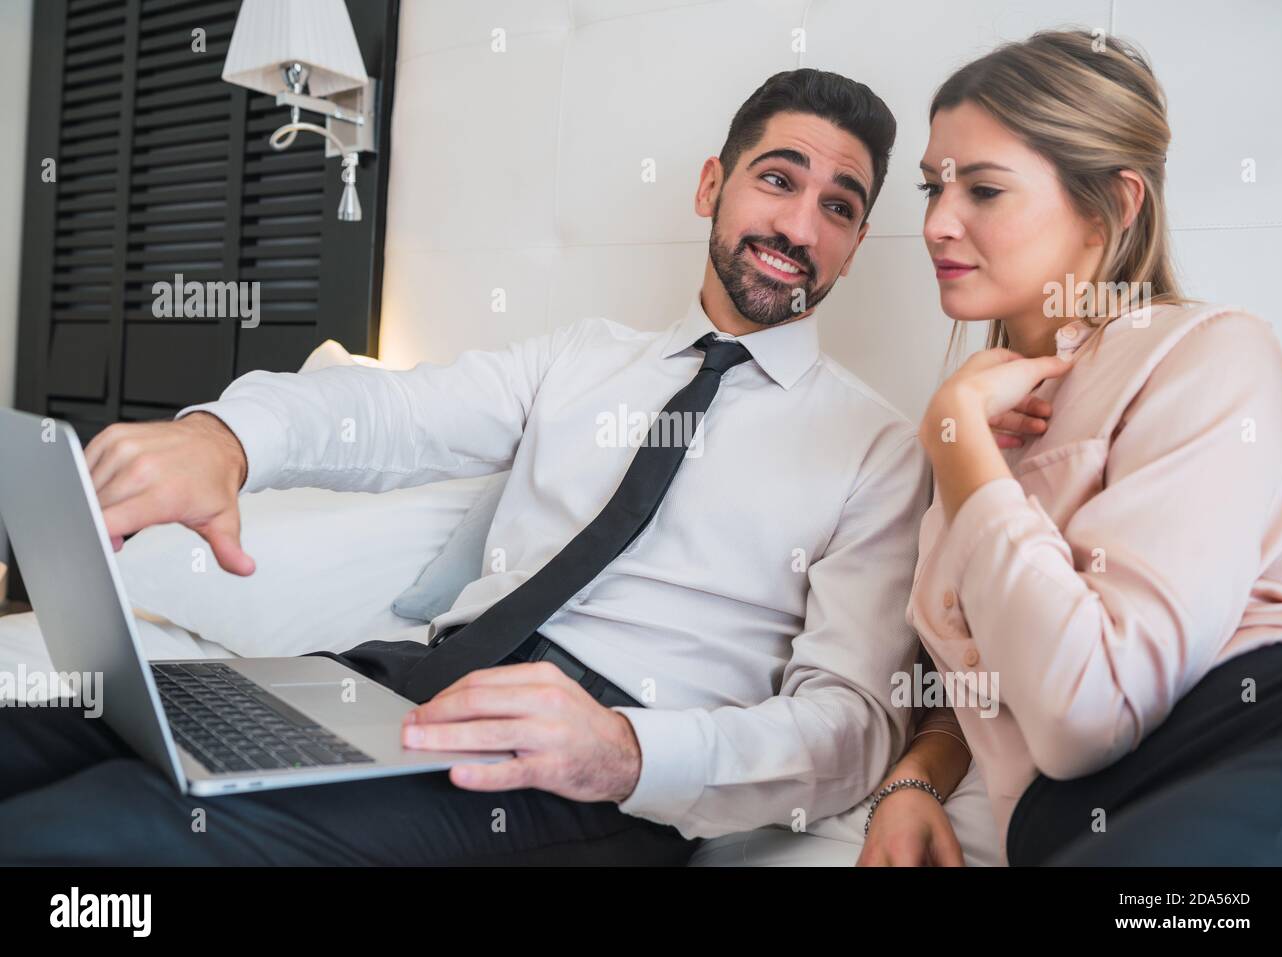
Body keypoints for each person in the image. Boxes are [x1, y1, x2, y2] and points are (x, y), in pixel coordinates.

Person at [0, 69, 1005, 865]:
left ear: (856, 240)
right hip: (395, 684)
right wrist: (227, 438)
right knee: (31, 734)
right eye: (778, 179)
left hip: (580, 777)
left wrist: (624, 750)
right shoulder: (577, 360)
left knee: (98, 836)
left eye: (839, 207)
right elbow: (387, 413)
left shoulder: (877, 450)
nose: (798, 228)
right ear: (712, 184)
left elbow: (851, 727)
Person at [856, 29, 1282, 867]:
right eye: (931, 188)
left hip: (1243, 750)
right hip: (1064, 826)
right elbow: (989, 686)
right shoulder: (976, 425)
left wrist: (956, 438)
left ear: (1111, 206)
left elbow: (1089, 707)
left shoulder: (1211, 352)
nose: (936, 225)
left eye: (983, 189)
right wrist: (912, 781)